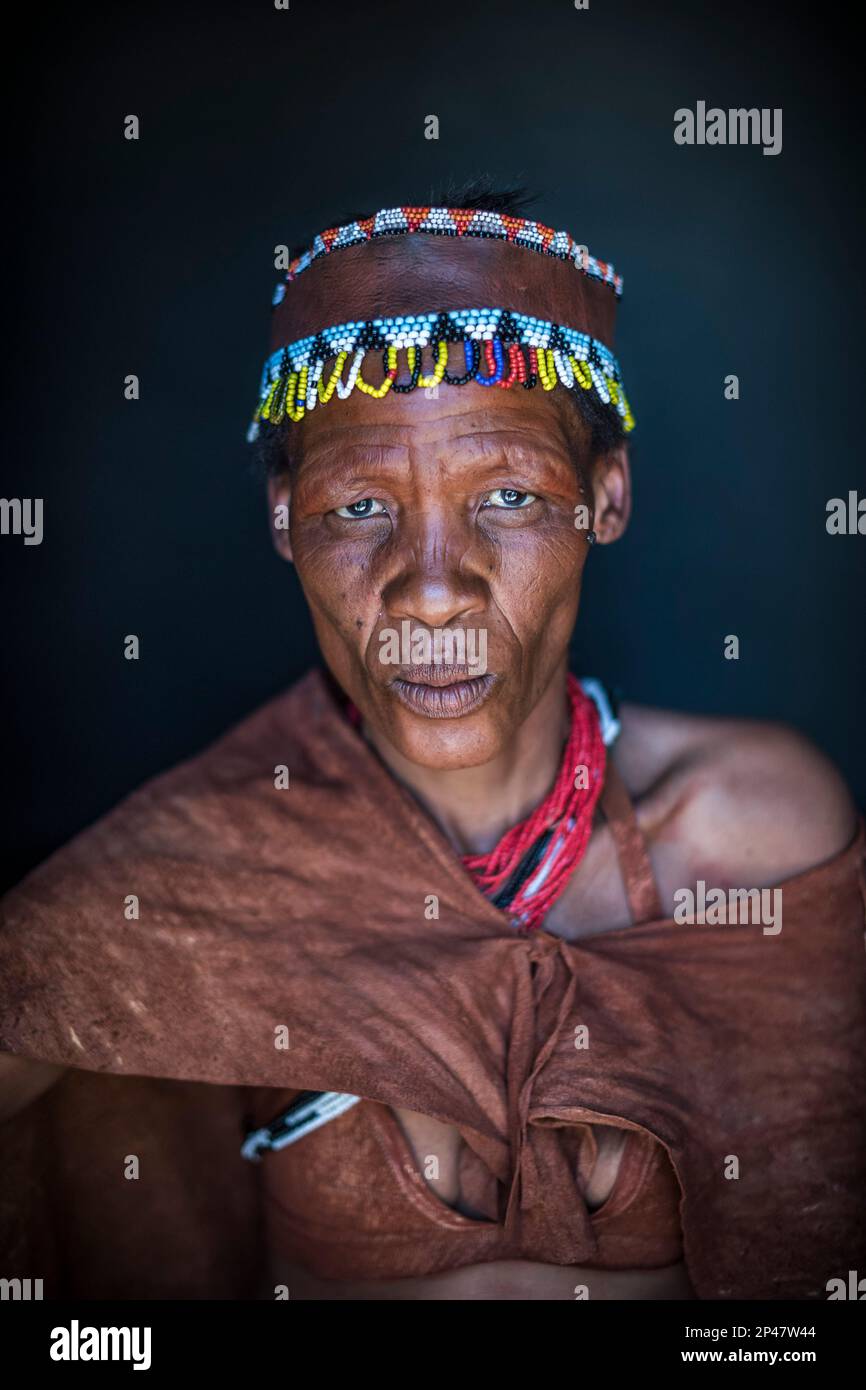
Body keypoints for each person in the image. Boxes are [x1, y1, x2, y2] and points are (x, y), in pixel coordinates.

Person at [1, 184, 864, 1301]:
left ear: (605, 497)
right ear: (282, 520)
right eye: (359, 508)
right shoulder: (202, 867)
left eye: (506, 493)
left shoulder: (755, 835)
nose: (435, 589)